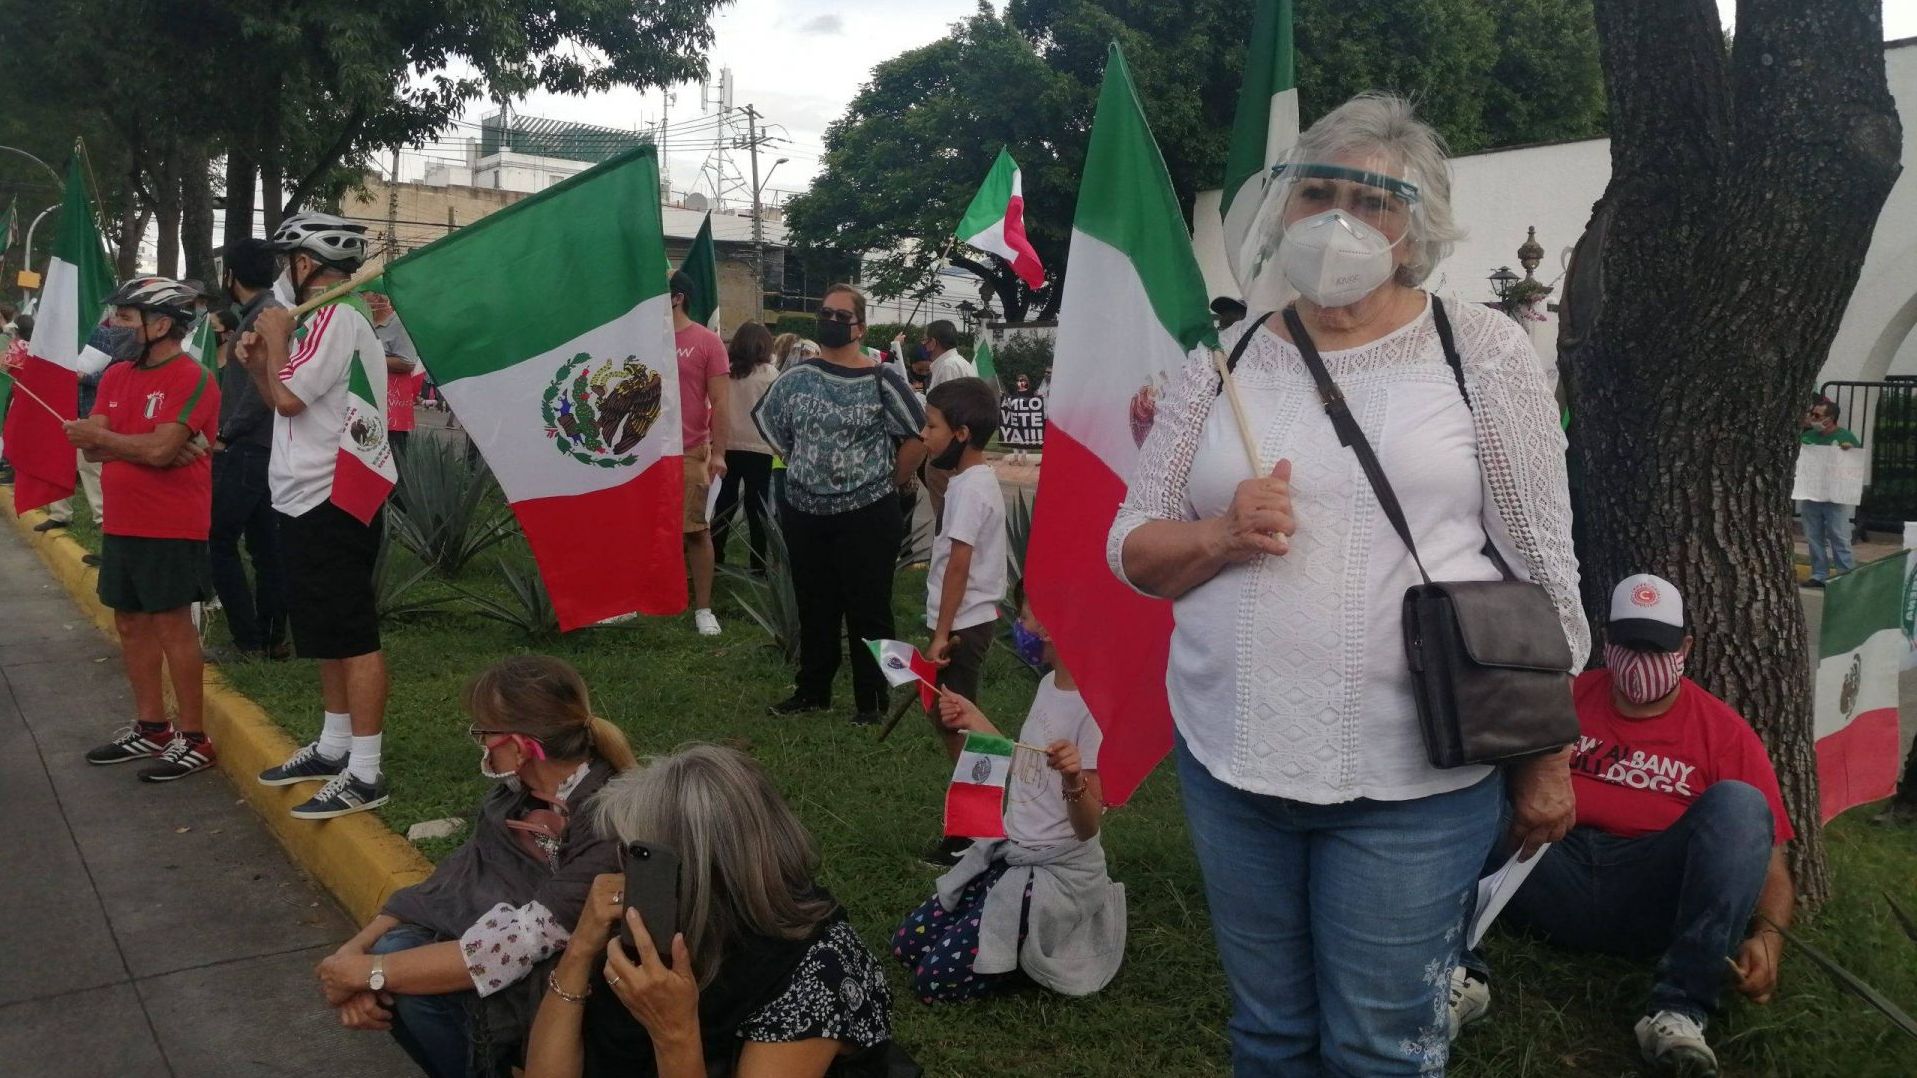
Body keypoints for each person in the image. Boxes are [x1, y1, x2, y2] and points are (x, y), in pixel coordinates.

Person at [1109, 93, 1584, 1074]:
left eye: (1375, 200)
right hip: (1230, 762)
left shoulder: (1483, 352)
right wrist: (1219, 534)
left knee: (1379, 1048)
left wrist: (1547, 753)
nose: (1341, 219)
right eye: (1317, 190)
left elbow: (1544, 563)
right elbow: (1131, 546)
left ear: (1418, 227)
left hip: (1413, 778)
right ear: (1280, 208)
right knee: (1269, 1035)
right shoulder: (1222, 359)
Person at [1452, 575, 1795, 1075]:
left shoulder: (1724, 731)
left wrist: (1769, 936)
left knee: (1741, 804)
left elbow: (1769, 856)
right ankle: (1463, 970)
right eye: (1628, 643)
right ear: (1605, 640)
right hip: (1548, 868)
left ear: (1686, 647)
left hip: (1649, 890)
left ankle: (1680, 1008)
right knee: (1484, 778)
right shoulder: (1567, 696)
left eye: (1655, 647)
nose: (1640, 660)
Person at [321, 656, 635, 1077]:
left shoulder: (607, 822)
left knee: (409, 987)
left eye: (483, 732)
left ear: (521, 747)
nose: (481, 744)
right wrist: (353, 954)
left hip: (588, 984)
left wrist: (372, 976)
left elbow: (522, 943)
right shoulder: (515, 797)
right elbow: (451, 880)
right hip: (529, 956)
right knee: (395, 952)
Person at [523, 744, 898, 1078]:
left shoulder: (814, 976)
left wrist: (674, 1033)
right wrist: (579, 951)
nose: (625, 872)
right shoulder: (662, 925)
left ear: (700, 877)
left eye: (639, 858)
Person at [894, 589, 1125, 1001]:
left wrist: (1074, 781)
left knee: (934, 982)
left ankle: (1030, 955)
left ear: (1054, 628)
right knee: (907, 945)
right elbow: (1028, 764)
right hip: (1012, 853)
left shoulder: (1093, 709)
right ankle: (1001, 923)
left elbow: (1088, 827)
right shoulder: (1050, 685)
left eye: (1026, 617)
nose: (1021, 627)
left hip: (1055, 870)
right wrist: (972, 716)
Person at [241, 211, 397, 820]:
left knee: (352, 634)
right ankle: (335, 747)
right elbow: (278, 390)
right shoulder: (317, 322)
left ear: (302, 264)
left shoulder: (337, 316)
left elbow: (288, 400)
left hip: (337, 494)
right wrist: (258, 358)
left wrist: (275, 339)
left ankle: (365, 769)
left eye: (288, 263)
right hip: (303, 493)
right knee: (326, 632)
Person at [753, 284, 927, 726]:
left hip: (868, 514)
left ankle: (874, 702)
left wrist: (892, 482)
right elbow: (773, 424)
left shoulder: (882, 378)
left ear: (860, 327)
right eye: (825, 313)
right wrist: (807, 464)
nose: (830, 321)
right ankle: (813, 691)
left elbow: (917, 435)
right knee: (815, 604)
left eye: (840, 315)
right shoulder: (795, 377)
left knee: (870, 607)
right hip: (804, 513)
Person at [71, 277, 222, 782]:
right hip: (123, 520)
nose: (115, 325)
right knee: (130, 621)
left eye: (127, 317)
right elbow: (93, 447)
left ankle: (195, 738)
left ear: (161, 325)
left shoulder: (191, 377)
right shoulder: (115, 376)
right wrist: (137, 444)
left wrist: (117, 439)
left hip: (171, 523)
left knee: (172, 623)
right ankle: (152, 726)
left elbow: (154, 451)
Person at [207, 237, 289, 662]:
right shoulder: (268, 313)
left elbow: (262, 389)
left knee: (217, 539)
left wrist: (228, 433)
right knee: (264, 547)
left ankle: (248, 640)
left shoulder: (263, 319)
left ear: (231, 275)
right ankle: (271, 638)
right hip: (267, 448)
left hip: (249, 448)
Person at [921, 377, 1005, 704]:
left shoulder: (971, 490)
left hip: (963, 625)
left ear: (961, 434)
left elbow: (959, 565)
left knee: (954, 715)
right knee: (945, 711)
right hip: (961, 620)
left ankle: (977, 758)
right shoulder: (968, 482)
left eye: (931, 426)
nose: (923, 435)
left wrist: (942, 634)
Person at [670, 271, 729, 637]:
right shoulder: (642, 339)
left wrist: (718, 452)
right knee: (640, 531)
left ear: (677, 297)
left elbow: (721, 401)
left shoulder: (707, 342)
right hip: (642, 453)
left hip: (690, 449)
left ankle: (703, 608)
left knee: (695, 531)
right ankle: (631, 599)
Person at [711, 321, 778, 576]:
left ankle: (716, 556)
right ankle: (758, 564)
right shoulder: (770, 373)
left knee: (724, 504)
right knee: (757, 508)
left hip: (727, 445)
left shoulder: (726, 371)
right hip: (759, 447)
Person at [38, 325, 116, 533]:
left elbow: (113, 377)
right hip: (59, 407)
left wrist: (84, 378)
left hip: (88, 409)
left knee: (89, 466)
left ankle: (102, 518)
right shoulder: (59, 332)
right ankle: (59, 514)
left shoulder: (103, 334)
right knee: (57, 461)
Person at [1798, 398, 1861, 588]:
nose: (1812, 418)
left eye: (1817, 415)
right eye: (1812, 414)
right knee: (1813, 536)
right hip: (1811, 494)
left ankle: (1845, 576)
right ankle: (1819, 574)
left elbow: (1856, 461)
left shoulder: (1845, 436)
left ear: (1830, 419)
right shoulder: (1808, 437)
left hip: (1835, 496)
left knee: (1839, 536)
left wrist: (1849, 450)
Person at [919, 321, 973, 523]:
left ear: (933, 342)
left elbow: (946, 413)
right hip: (953, 451)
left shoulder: (948, 367)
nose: (924, 346)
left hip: (946, 452)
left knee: (948, 517)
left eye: (925, 340)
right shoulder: (957, 363)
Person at [364, 290, 424, 460]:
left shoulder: (397, 323)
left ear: (377, 297)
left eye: (362, 294)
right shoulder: (366, 322)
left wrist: (371, 357)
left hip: (393, 409)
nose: (360, 299)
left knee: (393, 459)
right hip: (370, 404)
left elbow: (408, 361)